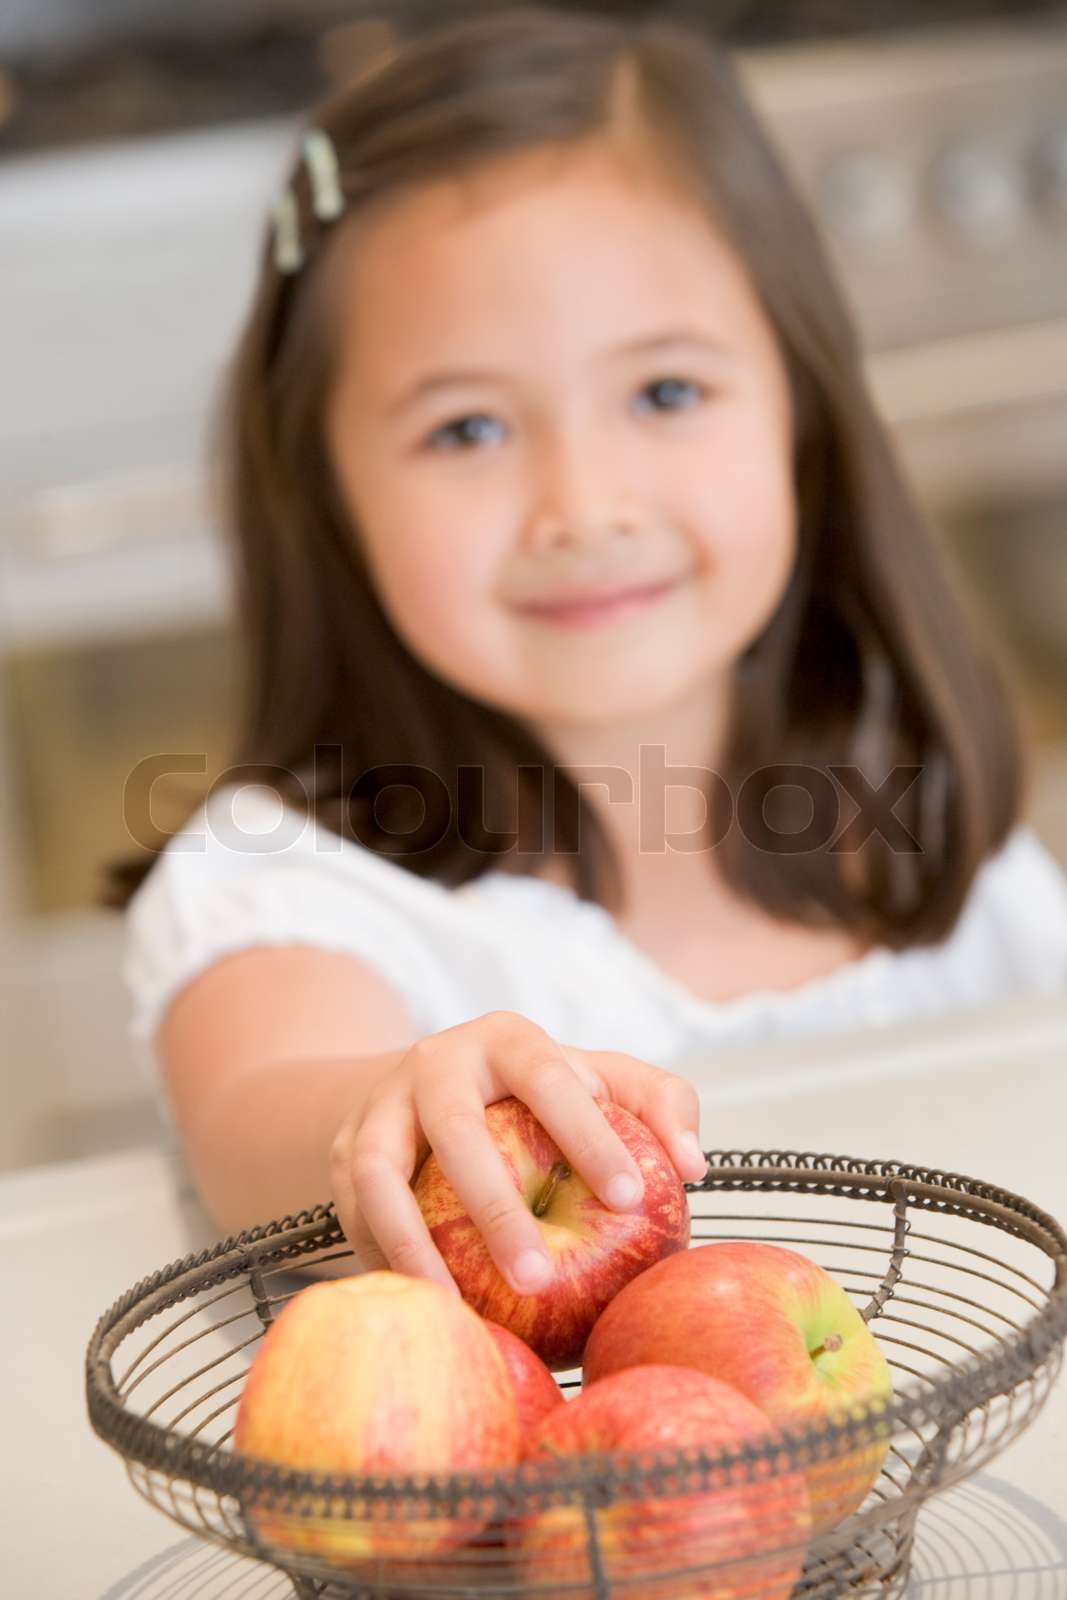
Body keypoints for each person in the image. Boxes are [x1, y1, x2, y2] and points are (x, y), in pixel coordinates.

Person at [113, 5, 1067, 1300]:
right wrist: (385, 1120)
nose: (584, 505)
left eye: (666, 394)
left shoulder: (934, 831)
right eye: (466, 430)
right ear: (323, 492)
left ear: (800, 411)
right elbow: (267, 1111)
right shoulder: (282, 895)